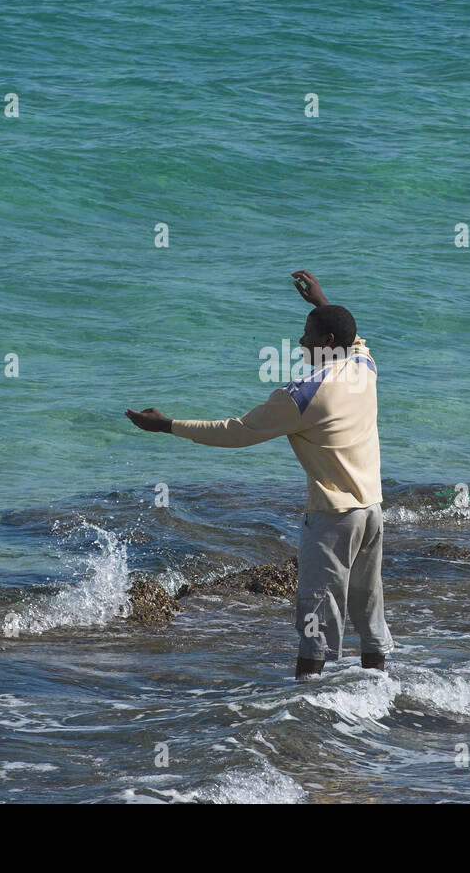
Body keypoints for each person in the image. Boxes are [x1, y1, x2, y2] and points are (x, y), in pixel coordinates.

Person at [125, 270, 392, 679]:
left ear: (325, 344)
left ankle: (307, 705)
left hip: (335, 517)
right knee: (367, 602)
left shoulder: (303, 395)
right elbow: (352, 336)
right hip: (372, 510)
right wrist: (321, 301)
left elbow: (237, 432)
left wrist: (169, 426)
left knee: (315, 614)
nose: (301, 341)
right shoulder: (364, 366)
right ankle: (380, 684)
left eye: (307, 334)